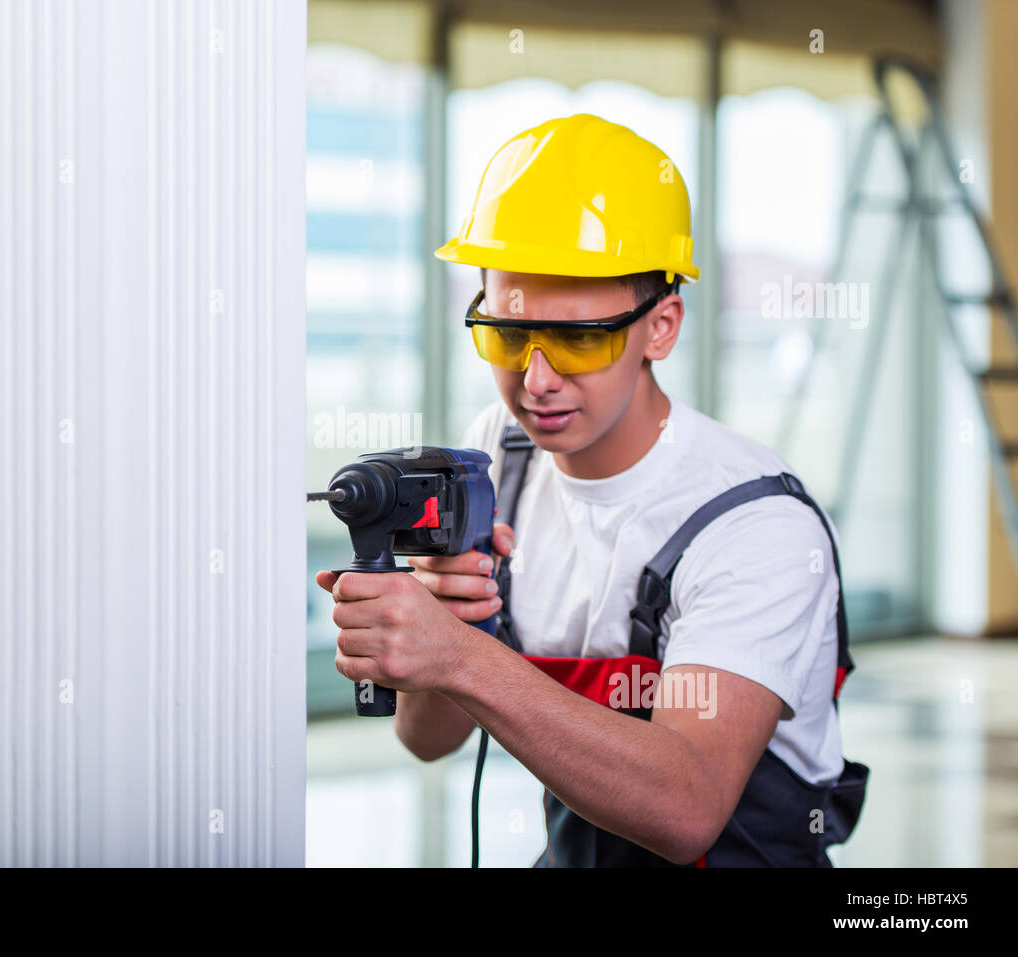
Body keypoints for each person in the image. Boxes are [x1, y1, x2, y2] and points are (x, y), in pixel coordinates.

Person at [315, 114, 867, 867]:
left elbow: (686, 808)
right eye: (508, 335)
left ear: (662, 327)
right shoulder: (499, 459)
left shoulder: (756, 525)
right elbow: (426, 740)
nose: (535, 381)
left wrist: (463, 657)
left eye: (579, 338)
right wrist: (434, 633)